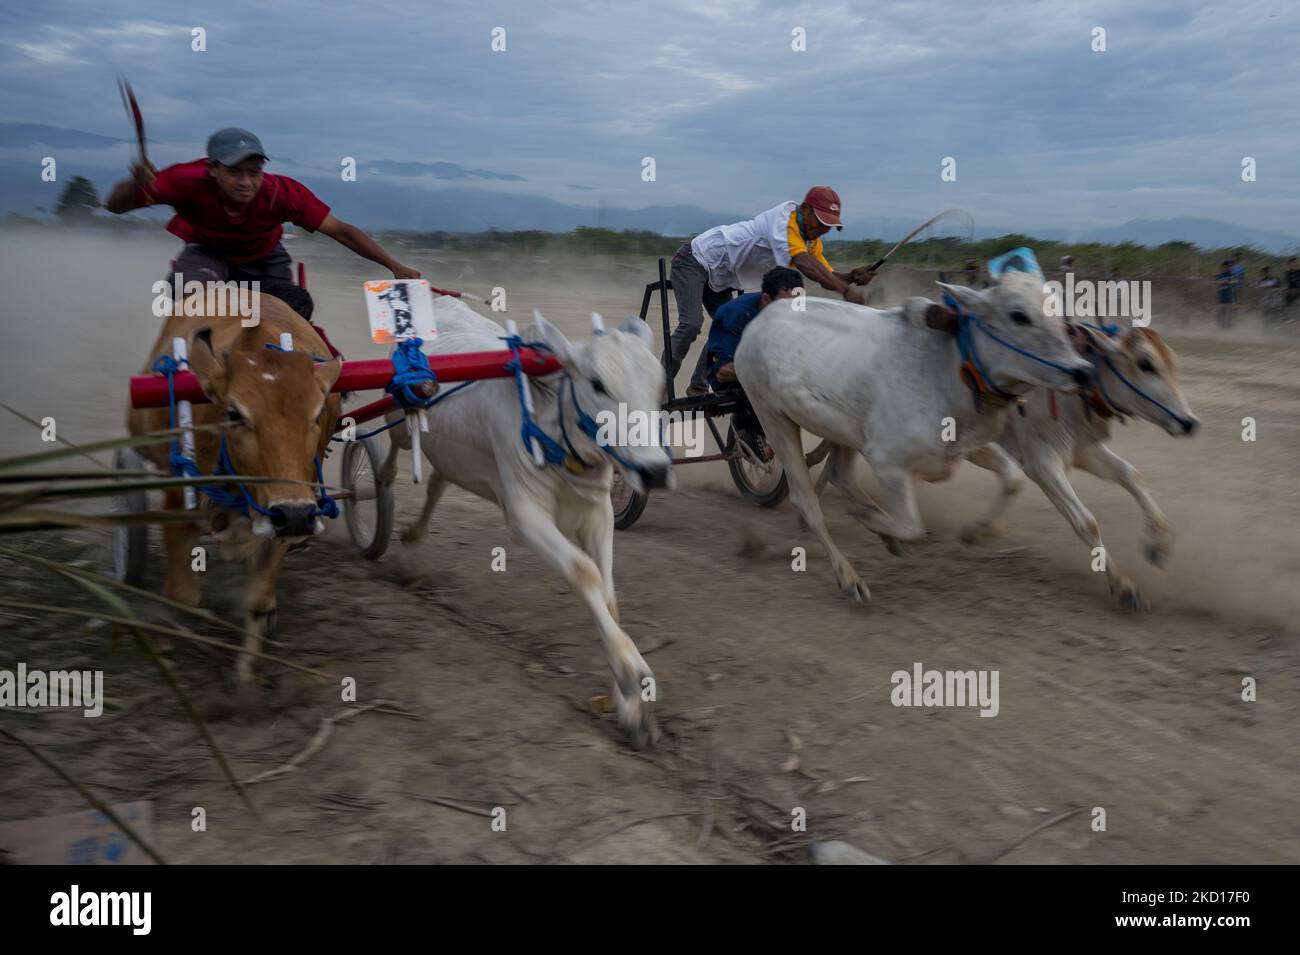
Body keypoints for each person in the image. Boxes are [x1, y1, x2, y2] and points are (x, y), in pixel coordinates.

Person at [105, 127, 420, 322]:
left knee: (293, 307)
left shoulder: (282, 193)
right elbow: (115, 206)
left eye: (254, 171)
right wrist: (135, 186)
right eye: (234, 172)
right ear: (211, 168)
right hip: (207, 250)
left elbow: (341, 231)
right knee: (190, 295)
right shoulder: (183, 180)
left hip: (263, 256)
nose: (246, 182)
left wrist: (394, 265)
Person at [666, 186, 878, 396]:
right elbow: (803, 263)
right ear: (804, 209)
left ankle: (698, 386)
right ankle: (661, 385)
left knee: (728, 325)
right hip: (696, 259)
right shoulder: (783, 222)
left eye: (829, 226)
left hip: (723, 277)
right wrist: (845, 290)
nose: (824, 230)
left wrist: (850, 277)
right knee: (692, 324)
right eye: (821, 222)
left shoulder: (810, 240)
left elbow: (826, 274)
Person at [703, 266, 805, 460]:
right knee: (775, 382)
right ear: (766, 299)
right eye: (785, 307)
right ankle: (745, 424)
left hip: (769, 366)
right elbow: (722, 372)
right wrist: (775, 370)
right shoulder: (734, 316)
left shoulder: (792, 308)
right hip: (729, 375)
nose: (792, 314)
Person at [1215, 260, 1235, 328]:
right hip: (1221, 299)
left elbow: (1234, 282)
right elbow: (1218, 283)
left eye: (1230, 266)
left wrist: (1226, 282)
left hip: (1229, 299)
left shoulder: (1232, 275)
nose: (1229, 268)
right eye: (1227, 266)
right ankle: (1222, 329)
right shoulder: (1220, 275)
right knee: (1219, 316)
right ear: (1224, 267)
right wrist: (1225, 282)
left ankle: (1228, 330)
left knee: (1228, 318)